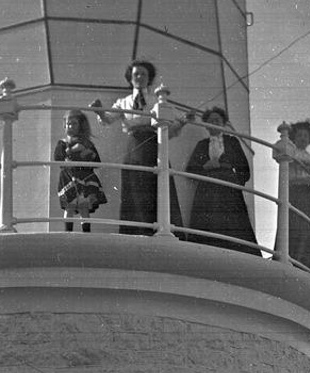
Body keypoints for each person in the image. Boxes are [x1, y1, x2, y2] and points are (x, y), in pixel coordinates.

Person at [89, 60, 186, 235]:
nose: (139, 77)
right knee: (135, 187)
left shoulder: (156, 100)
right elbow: (108, 118)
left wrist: (183, 122)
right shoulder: (123, 102)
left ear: (149, 78)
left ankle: (160, 229)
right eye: (136, 74)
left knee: (156, 184)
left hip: (153, 146)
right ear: (130, 78)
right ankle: (136, 231)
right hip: (134, 145)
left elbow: (175, 119)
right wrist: (100, 112)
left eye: (143, 74)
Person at [185, 107, 260, 255]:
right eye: (210, 121)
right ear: (206, 125)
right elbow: (190, 170)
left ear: (223, 123)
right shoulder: (202, 144)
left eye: (217, 120)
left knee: (233, 222)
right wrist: (205, 166)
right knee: (209, 220)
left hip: (228, 189)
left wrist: (232, 181)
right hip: (207, 189)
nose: (214, 123)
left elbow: (244, 170)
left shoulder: (232, 141)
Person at [53, 109, 107, 232]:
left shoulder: (87, 144)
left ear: (81, 125)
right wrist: (70, 151)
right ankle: (68, 232)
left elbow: (97, 162)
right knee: (70, 206)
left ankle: (86, 232)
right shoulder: (63, 143)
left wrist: (87, 152)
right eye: (68, 124)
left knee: (84, 206)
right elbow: (58, 159)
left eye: (74, 123)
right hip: (69, 177)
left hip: (85, 177)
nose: (70, 126)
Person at [283, 119, 310, 271]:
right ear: (294, 137)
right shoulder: (290, 151)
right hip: (294, 191)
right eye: (300, 135)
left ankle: (305, 264)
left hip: (307, 194)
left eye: (306, 136)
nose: (303, 138)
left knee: (306, 228)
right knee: (293, 225)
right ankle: (291, 259)